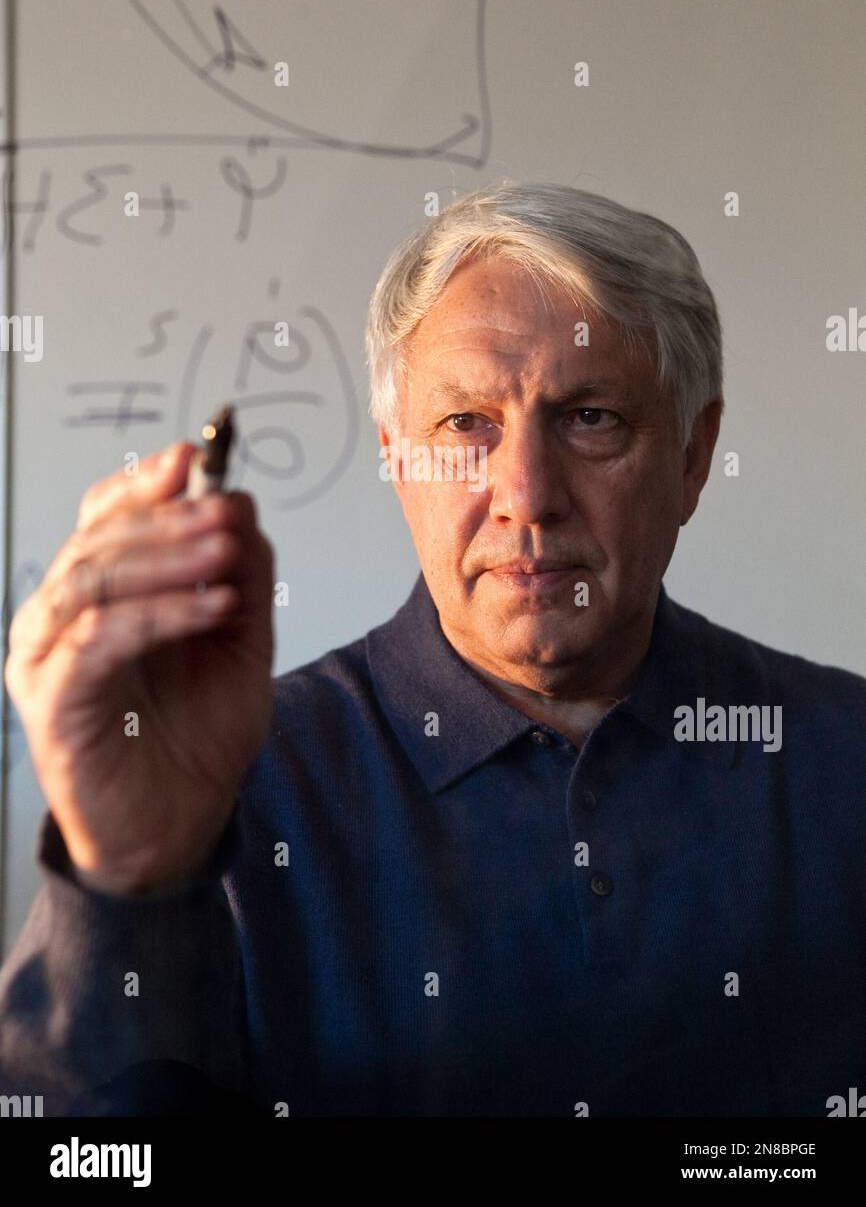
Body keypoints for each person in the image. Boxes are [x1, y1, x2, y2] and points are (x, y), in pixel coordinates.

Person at [1, 183, 864, 1117]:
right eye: (466, 426)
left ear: (695, 458)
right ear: (394, 456)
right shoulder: (224, 787)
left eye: (592, 418)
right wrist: (124, 884)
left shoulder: (844, 758)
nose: (527, 494)